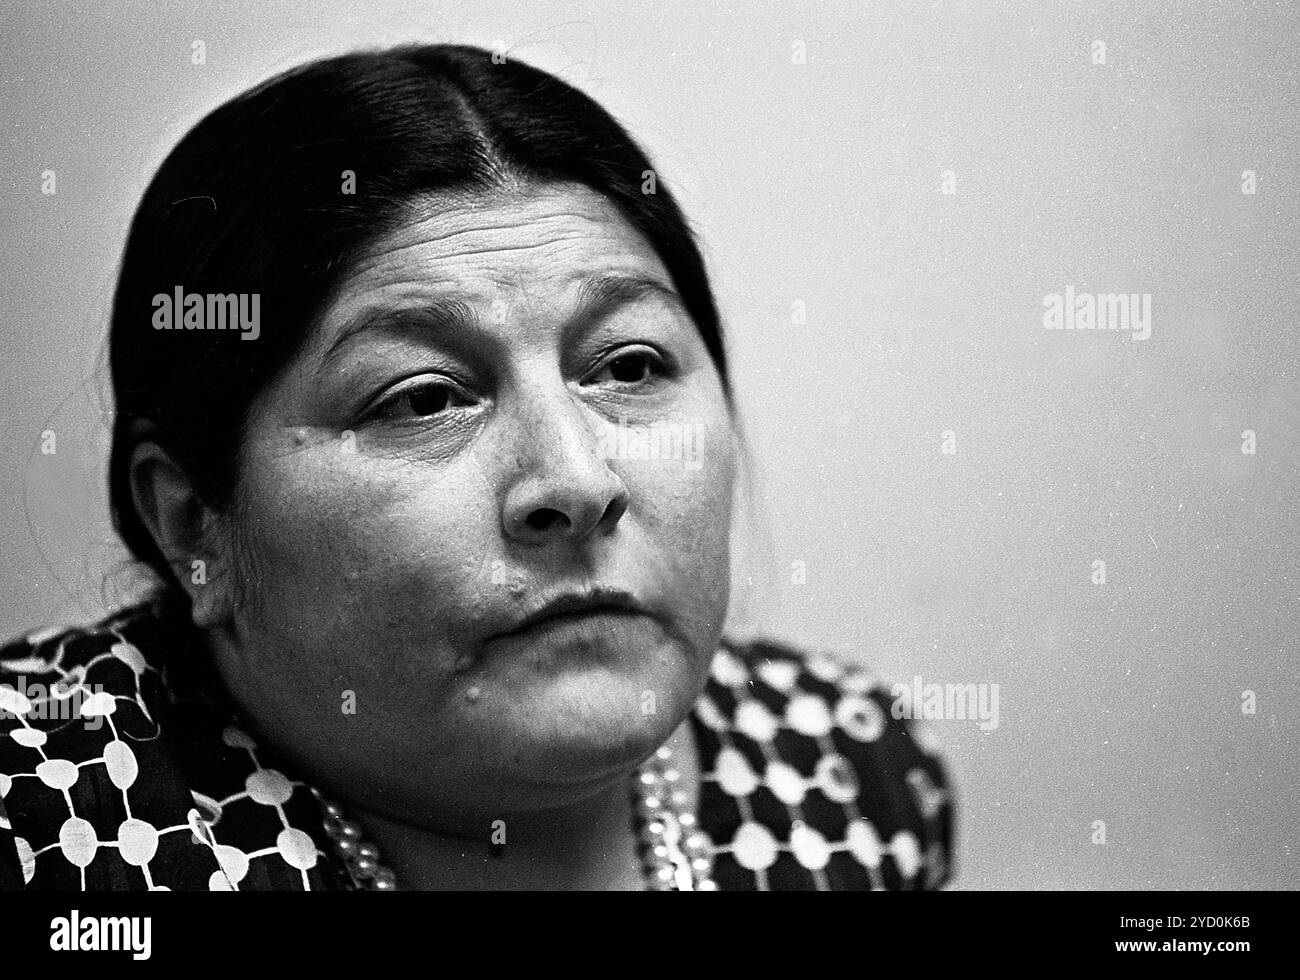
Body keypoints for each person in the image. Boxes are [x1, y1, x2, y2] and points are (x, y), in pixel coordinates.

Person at [0, 43, 954, 891]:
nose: (578, 484)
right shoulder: (44, 818)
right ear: (193, 526)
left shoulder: (849, 774)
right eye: (422, 397)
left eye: (629, 366)